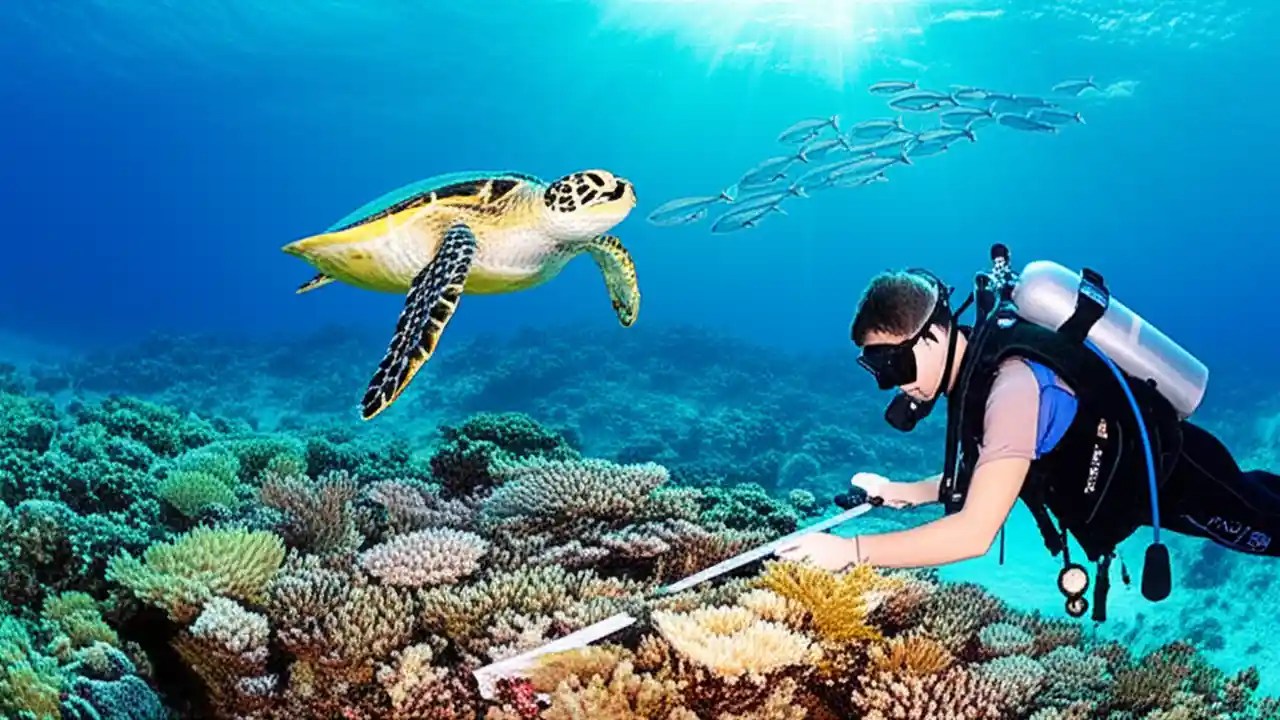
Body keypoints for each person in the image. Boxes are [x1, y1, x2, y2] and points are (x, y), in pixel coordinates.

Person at [774, 254, 1280, 619]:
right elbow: (990, 474)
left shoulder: (1010, 387)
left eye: (894, 365)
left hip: (1182, 478)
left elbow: (973, 533)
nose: (894, 384)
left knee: (1270, 527)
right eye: (878, 370)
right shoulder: (976, 375)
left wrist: (851, 552)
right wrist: (901, 493)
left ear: (934, 335)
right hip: (1147, 489)